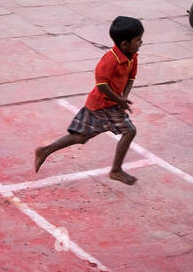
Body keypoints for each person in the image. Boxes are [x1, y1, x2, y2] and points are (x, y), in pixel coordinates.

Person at [34, 16, 144, 187]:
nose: (141, 43)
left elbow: (131, 78)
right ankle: (116, 170)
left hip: (109, 104)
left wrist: (124, 98)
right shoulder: (109, 60)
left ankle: (45, 150)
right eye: (137, 40)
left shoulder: (132, 56)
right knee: (129, 131)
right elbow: (102, 86)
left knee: (80, 137)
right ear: (124, 44)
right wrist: (119, 100)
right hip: (102, 105)